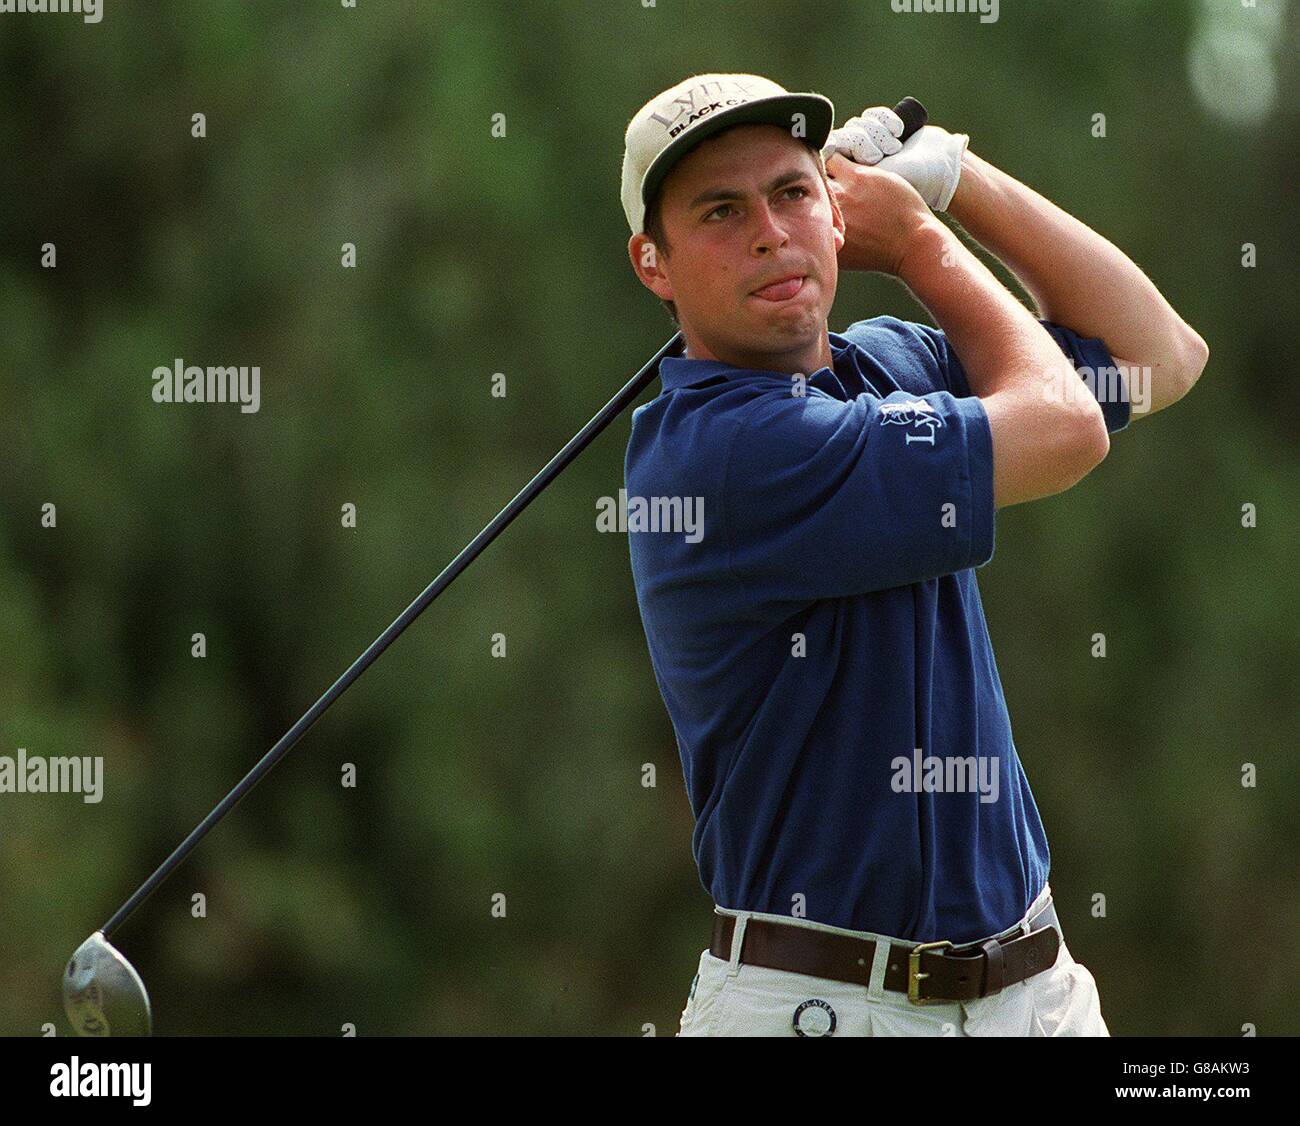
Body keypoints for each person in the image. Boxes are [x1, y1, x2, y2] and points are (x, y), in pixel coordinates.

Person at [619, 74, 1208, 1037]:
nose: (771, 231)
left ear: (837, 213)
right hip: (823, 1009)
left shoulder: (888, 365)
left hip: (1037, 991)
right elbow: (1067, 429)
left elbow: (1160, 353)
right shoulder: (720, 455)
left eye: (793, 192)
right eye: (722, 211)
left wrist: (964, 179)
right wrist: (927, 242)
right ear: (654, 263)